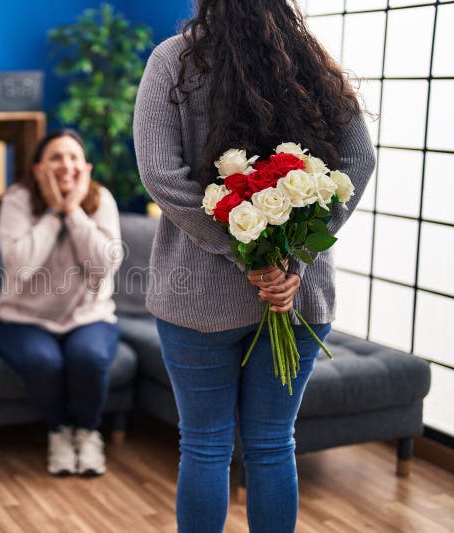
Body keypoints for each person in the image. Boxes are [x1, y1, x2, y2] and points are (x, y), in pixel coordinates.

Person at [133, 1, 376, 531]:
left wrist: (241, 251)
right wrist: (297, 255)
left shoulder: (173, 60)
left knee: (204, 447)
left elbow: (159, 174)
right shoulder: (310, 61)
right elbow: (360, 158)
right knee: (271, 446)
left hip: (197, 298)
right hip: (299, 295)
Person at [0, 130, 123, 476]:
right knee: (42, 360)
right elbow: (21, 267)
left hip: (89, 316)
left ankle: (88, 432)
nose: (66, 165)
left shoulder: (102, 200)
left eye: (73, 158)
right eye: (55, 157)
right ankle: (59, 433)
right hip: (24, 319)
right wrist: (54, 213)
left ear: (87, 167)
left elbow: (104, 266)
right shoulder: (18, 199)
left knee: (88, 356)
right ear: (38, 169)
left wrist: (74, 211)